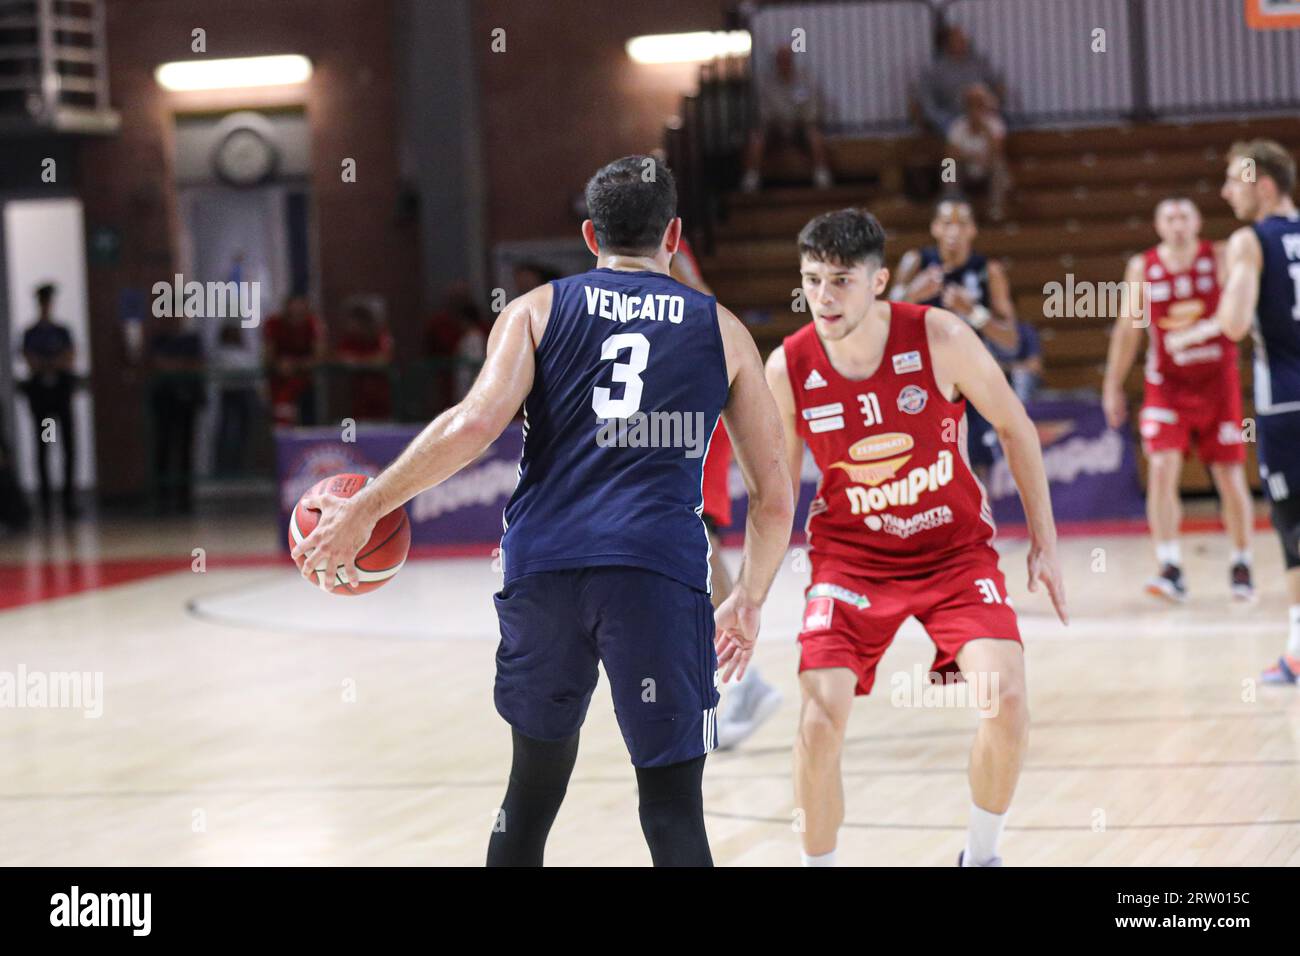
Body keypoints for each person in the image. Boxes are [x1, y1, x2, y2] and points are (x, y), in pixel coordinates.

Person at [291, 156, 794, 866]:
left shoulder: (537, 310)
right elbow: (775, 495)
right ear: (674, 236)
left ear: (590, 236)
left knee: (528, 795)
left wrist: (369, 505)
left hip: (545, 570)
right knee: (674, 811)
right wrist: (748, 598)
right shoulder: (724, 331)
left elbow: (472, 426)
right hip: (657, 575)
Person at [766, 208, 1066, 866]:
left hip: (953, 553)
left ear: (879, 283)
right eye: (813, 280)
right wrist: (748, 597)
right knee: (819, 724)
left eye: (841, 280)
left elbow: (1016, 426)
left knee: (1007, 699)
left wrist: (1043, 541)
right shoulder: (788, 368)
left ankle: (980, 856)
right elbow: (775, 499)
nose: (824, 296)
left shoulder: (939, 336)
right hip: (851, 562)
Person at [1162, 141, 1300, 683]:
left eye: (1233, 182)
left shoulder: (1249, 240)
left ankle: (1297, 651)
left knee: (1294, 532)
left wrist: (1195, 330)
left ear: (1263, 185)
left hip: (1287, 404)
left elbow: (1237, 321)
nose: (1225, 192)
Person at [1102, 198, 1253, 604]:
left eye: (1185, 215)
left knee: (1228, 474)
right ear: (1157, 224)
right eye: (1169, 217)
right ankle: (1170, 566)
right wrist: (1112, 384)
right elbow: (1129, 329)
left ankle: (1242, 562)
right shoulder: (1143, 267)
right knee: (1163, 466)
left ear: (1198, 221)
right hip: (1166, 384)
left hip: (1218, 383)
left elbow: (1240, 310)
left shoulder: (1219, 257)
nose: (1178, 224)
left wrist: (1199, 332)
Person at [672, 233, 784, 749]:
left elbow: (700, 301)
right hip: (674, 404)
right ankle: (727, 682)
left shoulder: (666, 246)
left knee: (697, 539)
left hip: (696, 406)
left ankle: (740, 682)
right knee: (685, 544)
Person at [890, 199, 1031, 477]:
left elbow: (1011, 340)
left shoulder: (987, 271)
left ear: (973, 230)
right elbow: (881, 322)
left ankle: (979, 519)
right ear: (934, 228)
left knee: (976, 467)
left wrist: (973, 312)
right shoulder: (916, 262)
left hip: (969, 380)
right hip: (920, 379)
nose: (954, 230)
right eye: (947, 223)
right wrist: (912, 296)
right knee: (919, 467)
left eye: (962, 223)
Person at [19, 282, 78, 521]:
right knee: (45, 446)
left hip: (60, 396)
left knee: (67, 447)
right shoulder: (32, 333)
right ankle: (45, 500)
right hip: (42, 400)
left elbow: (69, 357)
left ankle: (67, 500)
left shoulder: (61, 331)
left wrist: (51, 364)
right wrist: (49, 364)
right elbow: (30, 359)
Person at [741, 45, 833, 193]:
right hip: (775, 128)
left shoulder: (805, 79)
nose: (784, 63)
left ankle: (822, 175)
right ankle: (751, 178)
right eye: (780, 60)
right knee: (756, 139)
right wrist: (778, 122)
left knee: (815, 136)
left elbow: (813, 106)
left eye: (786, 60)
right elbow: (764, 111)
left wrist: (802, 119)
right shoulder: (767, 83)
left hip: (801, 126)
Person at [147, 313, 205, 514]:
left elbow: (197, 363)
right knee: (164, 447)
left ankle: (184, 497)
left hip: (187, 401)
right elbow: (160, 364)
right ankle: (163, 496)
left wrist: (176, 365)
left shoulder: (191, 339)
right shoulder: (161, 339)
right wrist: (179, 365)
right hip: (165, 402)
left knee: (185, 449)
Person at [914, 23, 1006, 138]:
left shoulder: (980, 62)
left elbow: (997, 85)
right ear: (946, 44)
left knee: (993, 128)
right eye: (957, 39)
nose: (963, 42)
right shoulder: (934, 70)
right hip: (951, 115)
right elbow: (927, 100)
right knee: (956, 130)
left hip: (982, 112)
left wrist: (995, 104)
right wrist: (935, 117)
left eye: (964, 38)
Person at [945, 83, 1011, 221]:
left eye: (979, 104)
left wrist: (985, 129)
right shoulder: (958, 126)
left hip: (987, 169)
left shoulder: (995, 124)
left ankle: (996, 209)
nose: (975, 108)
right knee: (948, 166)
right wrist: (972, 157)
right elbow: (950, 154)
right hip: (965, 169)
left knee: (999, 164)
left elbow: (997, 151)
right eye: (971, 104)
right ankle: (952, 205)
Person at [263, 294, 326, 426]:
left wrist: (295, 365)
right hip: (279, 381)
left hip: (305, 380)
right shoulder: (273, 323)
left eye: (300, 312)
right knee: (281, 414)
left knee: (308, 420)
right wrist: (278, 364)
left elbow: (319, 357)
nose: (296, 315)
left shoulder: (313, 324)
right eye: (292, 312)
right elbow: (268, 355)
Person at [335, 297, 395, 421]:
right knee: (354, 432)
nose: (351, 326)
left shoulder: (380, 335)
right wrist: (367, 361)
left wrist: (359, 361)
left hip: (380, 397)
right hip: (356, 399)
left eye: (355, 322)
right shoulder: (348, 340)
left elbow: (383, 359)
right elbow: (342, 358)